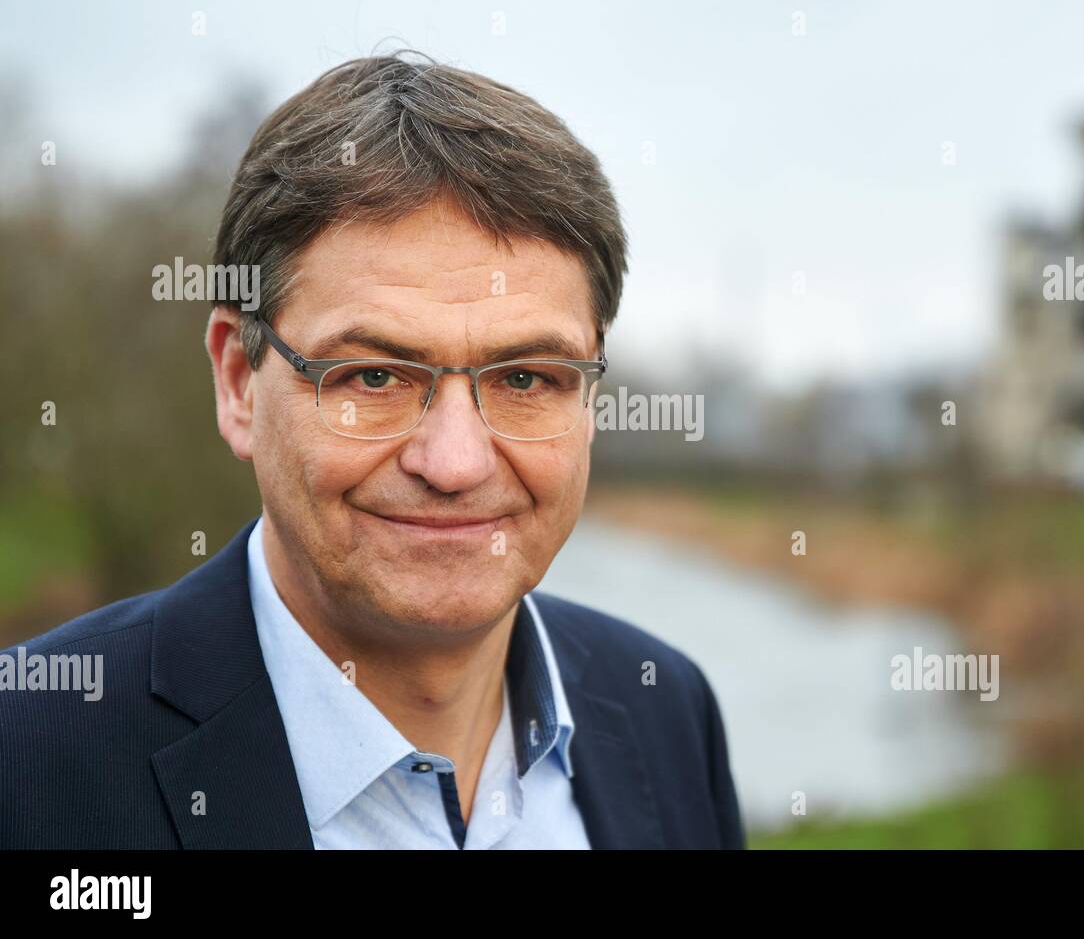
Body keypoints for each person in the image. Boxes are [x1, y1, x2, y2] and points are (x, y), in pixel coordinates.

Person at [0, 53, 744, 850]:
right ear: (238, 381)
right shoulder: (29, 762)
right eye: (376, 375)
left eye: (525, 376)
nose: (455, 463)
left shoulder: (666, 711)